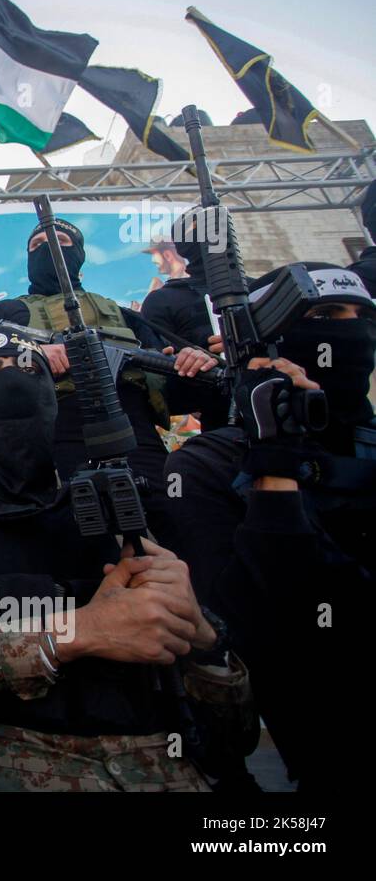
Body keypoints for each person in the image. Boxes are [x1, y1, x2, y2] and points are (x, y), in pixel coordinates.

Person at [0, 324, 256, 791]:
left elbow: (237, 733)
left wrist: (203, 640)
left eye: (29, 368)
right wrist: (79, 632)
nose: (11, 380)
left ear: (52, 395)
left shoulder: (115, 509)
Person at [163, 263, 376, 790]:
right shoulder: (207, 465)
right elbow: (256, 631)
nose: (350, 332)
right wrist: (274, 464)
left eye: (361, 317)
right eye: (325, 315)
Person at [0, 216, 217, 547]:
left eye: (61, 243)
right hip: (58, 432)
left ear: (79, 254)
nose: (48, 248)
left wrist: (192, 365)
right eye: (37, 245)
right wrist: (31, 358)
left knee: (173, 526)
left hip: (134, 431)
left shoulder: (121, 313)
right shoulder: (7, 312)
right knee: (83, 537)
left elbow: (167, 385)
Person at [140, 208, 230, 431]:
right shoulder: (162, 300)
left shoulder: (263, 289)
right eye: (200, 229)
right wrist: (195, 361)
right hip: (219, 422)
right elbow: (157, 380)